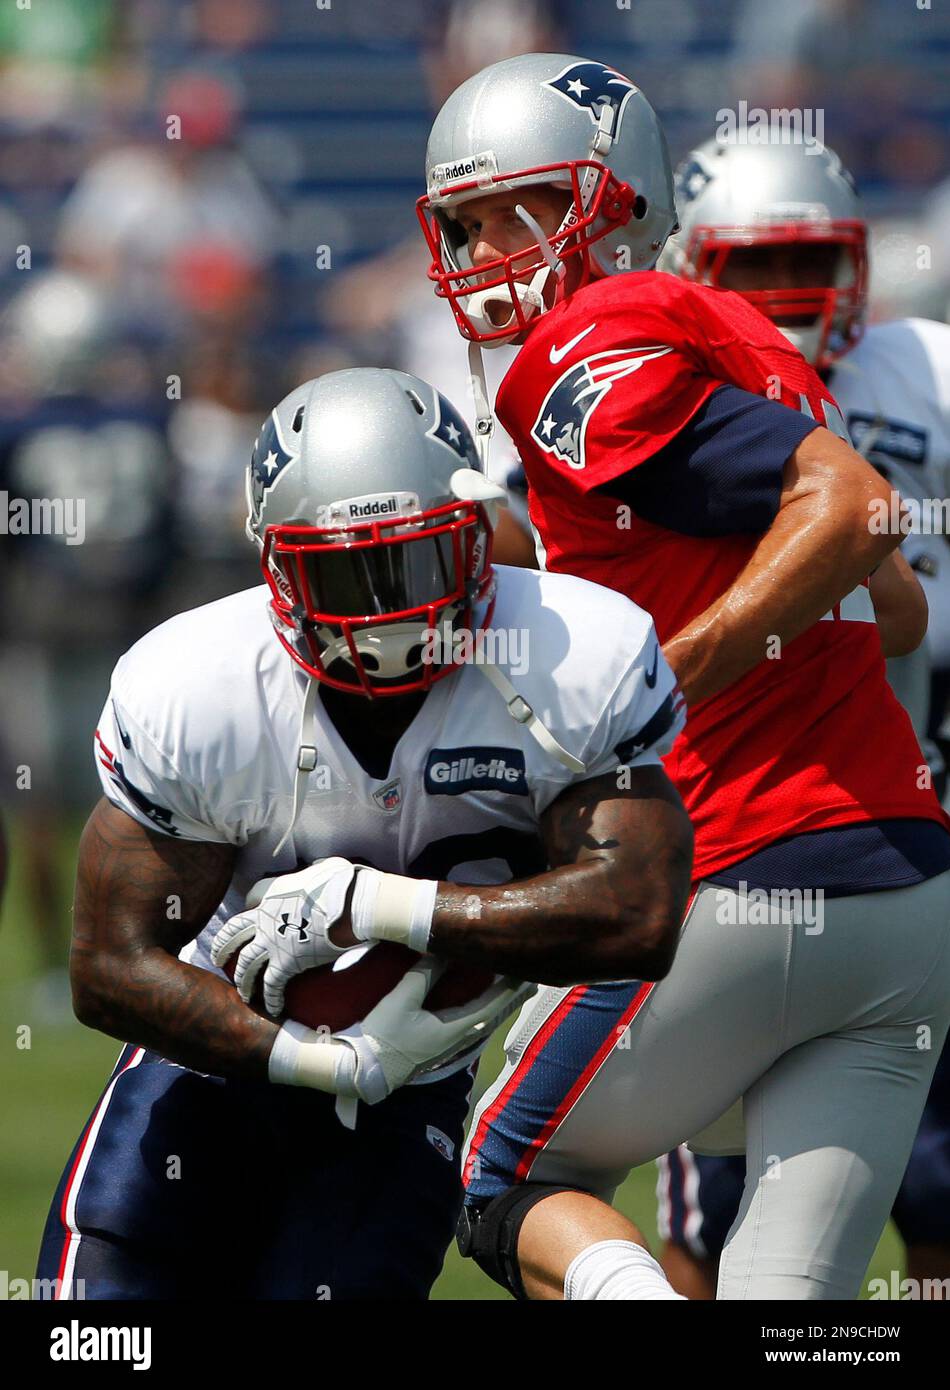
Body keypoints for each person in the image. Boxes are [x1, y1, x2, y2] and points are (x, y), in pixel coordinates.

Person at [416, 52, 950, 1300]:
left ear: (615, 197)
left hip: (735, 866)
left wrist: (673, 672)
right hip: (903, 897)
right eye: (464, 221)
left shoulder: (584, 341)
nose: (488, 246)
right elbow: (901, 610)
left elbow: (857, 515)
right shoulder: (749, 336)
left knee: (488, 1176)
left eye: (520, 209)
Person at [35, 366, 693, 1300]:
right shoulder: (200, 686)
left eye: (414, 562)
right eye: (343, 572)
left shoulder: (569, 656)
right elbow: (109, 966)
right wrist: (316, 1060)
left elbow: (637, 915)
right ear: (273, 564)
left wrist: (374, 906)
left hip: (409, 1097)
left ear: (476, 535)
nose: (385, 614)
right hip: (211, 1070)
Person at [655, 134, 950, 1299]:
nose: (789, 295)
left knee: (932, 1187)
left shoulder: (921, 369)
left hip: (909, 811)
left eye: (811, 260)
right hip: (741, 818)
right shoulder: (672, 394)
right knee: (714, 1206)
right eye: (757, 265)